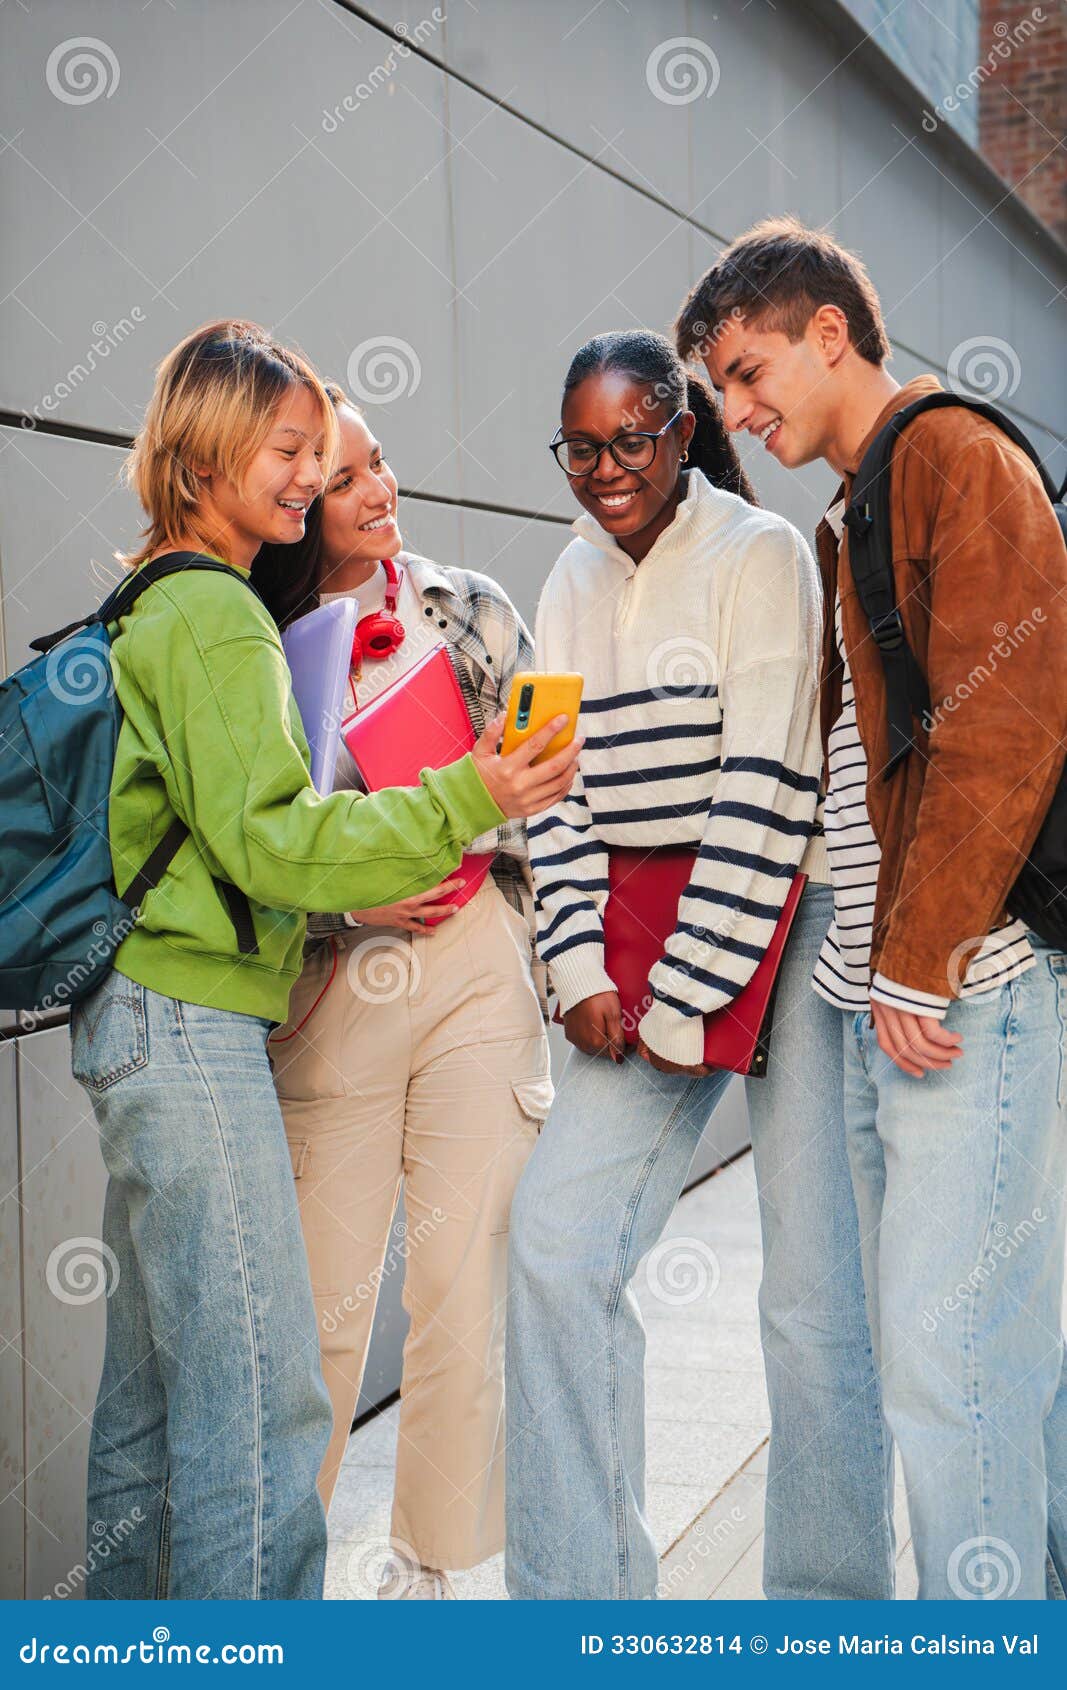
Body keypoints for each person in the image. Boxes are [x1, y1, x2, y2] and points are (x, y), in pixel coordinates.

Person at [69, 320, 579, 1601]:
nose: (315, 478)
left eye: (327, 453)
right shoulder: (224, 618)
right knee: (265, 1398)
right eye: (290, 453)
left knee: (149, 1402)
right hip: (193, 1025)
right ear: (205, 462)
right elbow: (274, 846)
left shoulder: (156, 599)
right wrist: (466, 793)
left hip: (153, 1012)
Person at [680, 216, 1067, 1599]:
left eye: (745, 369)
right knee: (995, 1355)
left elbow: (1005, 725)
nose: (733, 409)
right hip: (875, 989)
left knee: (950, 1362)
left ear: (825, 333)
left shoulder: (953, 456)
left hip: (953, 989)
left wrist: (916, 963)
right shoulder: (852, 498)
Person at [504, 330, 858, 1601]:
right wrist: (578, 964)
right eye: (581, 448)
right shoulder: (563, 581)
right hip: (634, 935)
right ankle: (580, 1610)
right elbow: (547, 795)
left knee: (814, 1295)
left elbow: (768, 789)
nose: (606, 468)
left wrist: (680, 998)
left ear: (682, 426)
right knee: (552, 1248)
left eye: (633, 438)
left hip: (785, 915)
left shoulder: (758, 558)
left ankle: (827, 1612)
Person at [253, 385, 553, 1600]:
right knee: (323, 1314)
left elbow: (550, 780)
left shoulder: (469, 607)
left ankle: (434, 1572)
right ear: (297, 504)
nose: (378, 492)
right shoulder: (256, 643)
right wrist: (348, 906)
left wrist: (530, 933)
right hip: (339, 989)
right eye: (345, 480)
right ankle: (283, 1582)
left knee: (460, 1284)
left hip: (476, 963)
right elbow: (248, 846)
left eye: (382, 466)